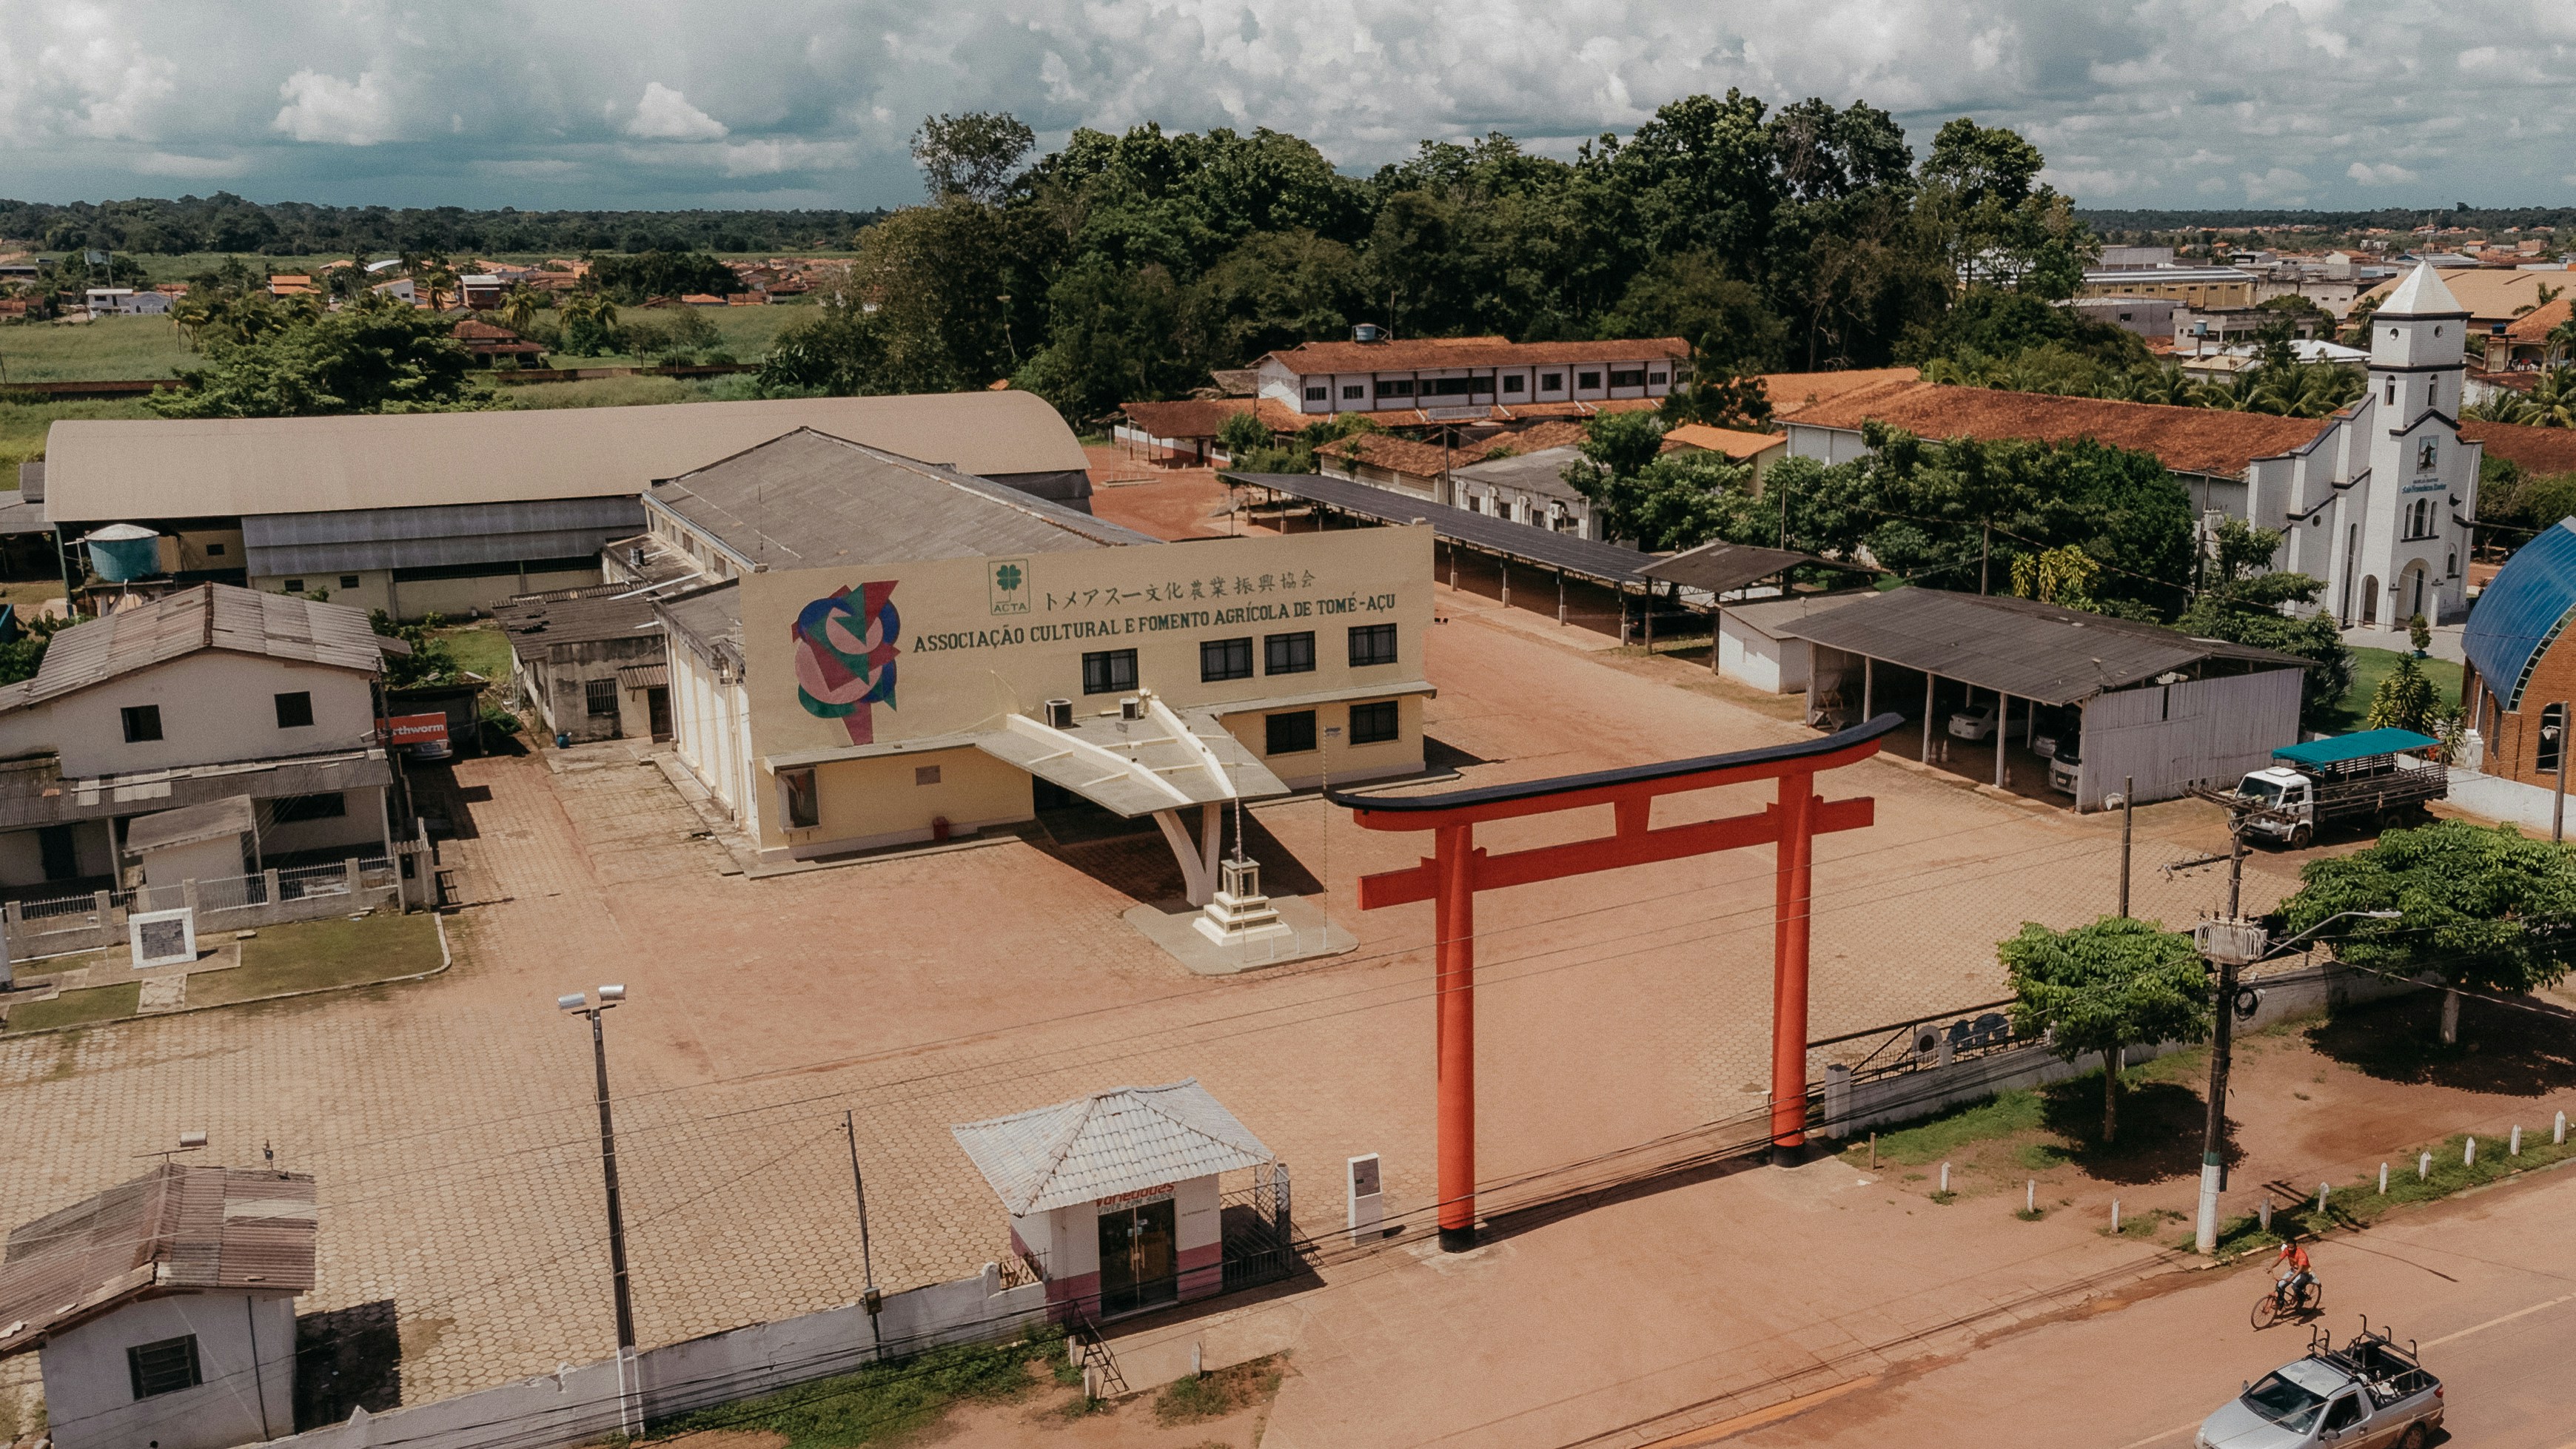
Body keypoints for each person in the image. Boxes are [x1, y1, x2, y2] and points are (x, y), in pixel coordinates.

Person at [2273, 1239, 2315, 1308]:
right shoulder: (2286, 1250)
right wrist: (2271, 1267)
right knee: (2280, 1285)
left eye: (2292, 1248)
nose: (2290, 1249)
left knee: (2295, 1287)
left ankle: (2302, 1298)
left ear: (2295, 1247)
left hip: (2304, 1273)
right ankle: (2280, 1304)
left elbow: (2300, 1269)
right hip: (2293, 1270)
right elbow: (2279, 1259)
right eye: (2288, 1247)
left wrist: (2291, 1278)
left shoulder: (2301, 1254)